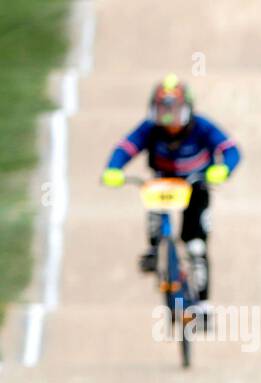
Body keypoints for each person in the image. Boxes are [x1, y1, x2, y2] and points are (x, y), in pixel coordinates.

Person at [100, 75, 241, 306]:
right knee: (155, 220)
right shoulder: (150, 129)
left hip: (196, 184)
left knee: (196, 245)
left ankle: (203, 303)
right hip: (163, 183)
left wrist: (223, 169)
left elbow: (232, 150)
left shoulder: (202, 127)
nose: (169, 119)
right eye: (163, 111)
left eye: (175, 112)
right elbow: (126, 147)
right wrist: (113, 169)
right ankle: (157, 250)